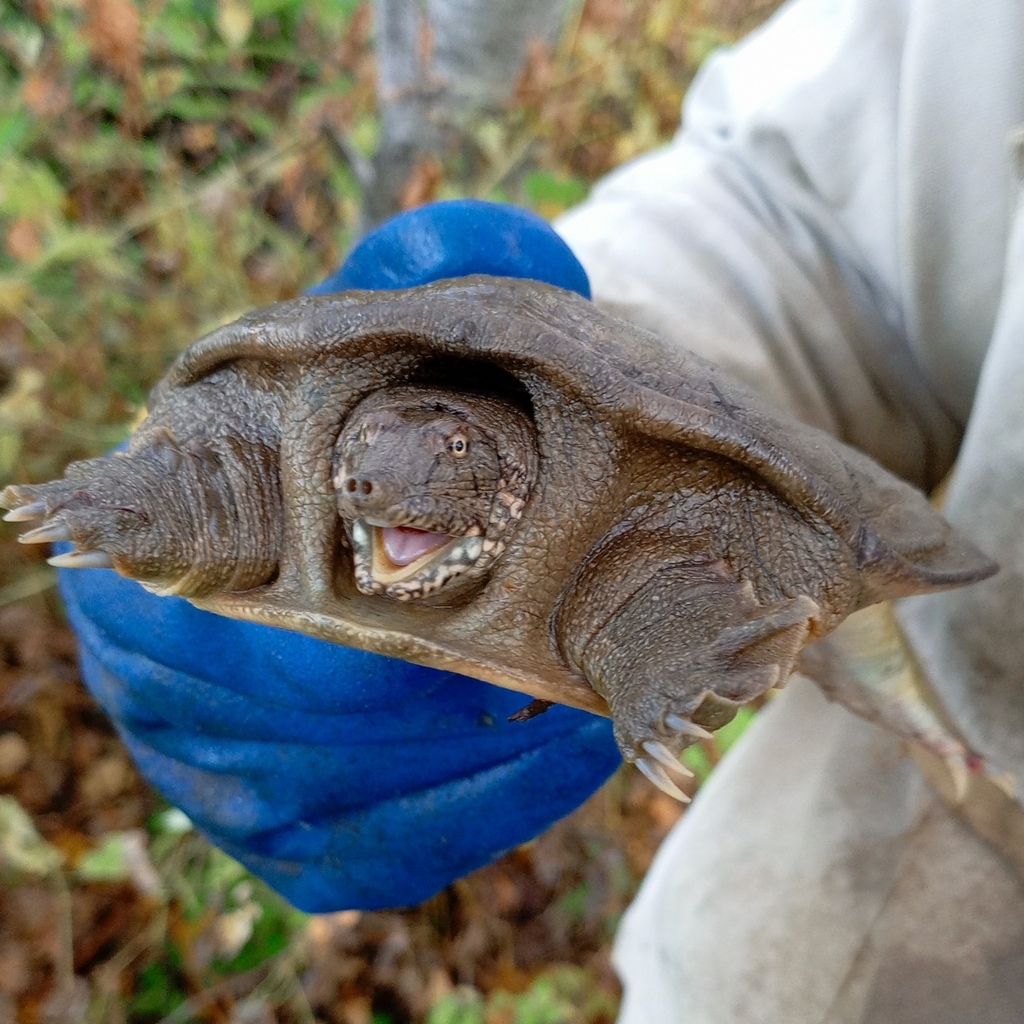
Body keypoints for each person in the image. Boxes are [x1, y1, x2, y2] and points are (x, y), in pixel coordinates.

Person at [55, 0, 1024, 1019]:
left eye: (448, 462)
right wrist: (142, 500)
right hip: (905, 886)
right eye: (359, 472)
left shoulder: (628, 542)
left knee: (690, 623)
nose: (376, 487)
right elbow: (821, 219)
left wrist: (659, 664)